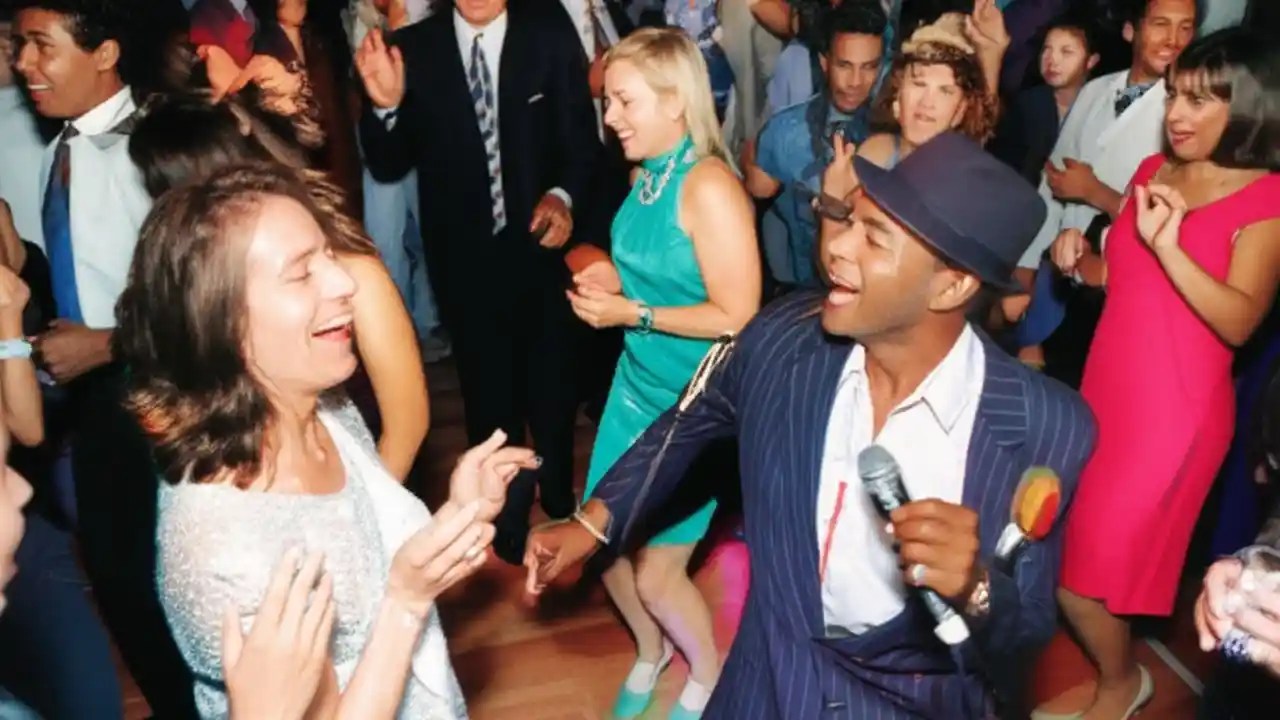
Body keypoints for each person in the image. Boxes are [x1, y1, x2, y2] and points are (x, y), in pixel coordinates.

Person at [525, 132, 1097, 718]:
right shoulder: (784, 339)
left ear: (951, 284)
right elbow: (692, 418)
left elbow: (1024, 636)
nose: (836, 247)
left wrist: (974, 587)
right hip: (766, 682)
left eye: (873, 237)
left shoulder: (1045, 426)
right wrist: (594, 522)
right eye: (849, 220)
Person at [115, 161, 538, 719]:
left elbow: (366, 565)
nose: (345, 284)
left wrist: (458, 515)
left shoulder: (324, 409)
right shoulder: (222, 544)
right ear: (221, 320)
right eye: (301, 273)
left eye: (328, 257)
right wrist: (406, 605)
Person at [1043, 27, 1280, 720]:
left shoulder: (1268, 201)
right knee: (1065, 550)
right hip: (1105, 390)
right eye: (1174, 95)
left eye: (1200, 101)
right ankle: (1115, 680)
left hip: (1173, 416)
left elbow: (1237, 322)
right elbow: (1122, 276)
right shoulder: (1153, 170)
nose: (1176, 113)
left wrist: (1170, 246)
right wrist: (1076, 263)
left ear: (1248, 106)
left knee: (1079, 578)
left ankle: (1122, 684)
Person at [355, 0, 600, 564]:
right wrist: (386, 107)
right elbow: (389, 162)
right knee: (488, 393)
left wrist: (563, 197)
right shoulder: (416, 50)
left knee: (552, 381)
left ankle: (557, 490)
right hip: (464, 260)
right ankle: (506, 510)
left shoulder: (547, 30)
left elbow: (580, 143)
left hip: (543, 249)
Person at [11, 1, 200, 715]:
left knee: (177, 586)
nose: (23, 64)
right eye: (21, 46)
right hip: (99, 410)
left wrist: (104, 344)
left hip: (169, 403)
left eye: (41, 45)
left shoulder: (155, 150)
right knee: (125, 589)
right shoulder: (61, 150)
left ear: (105, 52)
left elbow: (208, 296)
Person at [565, 28, 759, 719]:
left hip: (694, 409)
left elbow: (738, 314)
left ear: (675, 101)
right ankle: (651, 651)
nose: (611, 116)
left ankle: (707, 673)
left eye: (625, 101)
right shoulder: (643, 175)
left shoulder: (708, 186)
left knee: (655, 572)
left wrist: (632, 311)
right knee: (603, 547)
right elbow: (664, 273)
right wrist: (613, 281)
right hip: (633, 390)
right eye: (608, 101)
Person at [129, 88, 431, 483]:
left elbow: (407, 424)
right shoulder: (199, 283)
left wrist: (368, 512)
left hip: (361, 478)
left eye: (162, 187)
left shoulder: (348, 272)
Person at [1010, 0, 1196, 389]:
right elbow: (1053, 181)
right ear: (1131, 30)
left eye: (1186, 28)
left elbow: (1177, 226)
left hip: (1114, 295)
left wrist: (1095, 193)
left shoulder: (1190, 116)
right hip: (1056, 282)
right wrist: (1025, 269)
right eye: (1161, 24)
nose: (1173, 40)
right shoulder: (1096, 90)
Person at [743, 0, 886, 290]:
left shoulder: (894, 134)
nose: (856, 81)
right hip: (804, 293)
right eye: (845, 65)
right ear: (824, 63)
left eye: (868, 67)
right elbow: (757, 191)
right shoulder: (786, 132)